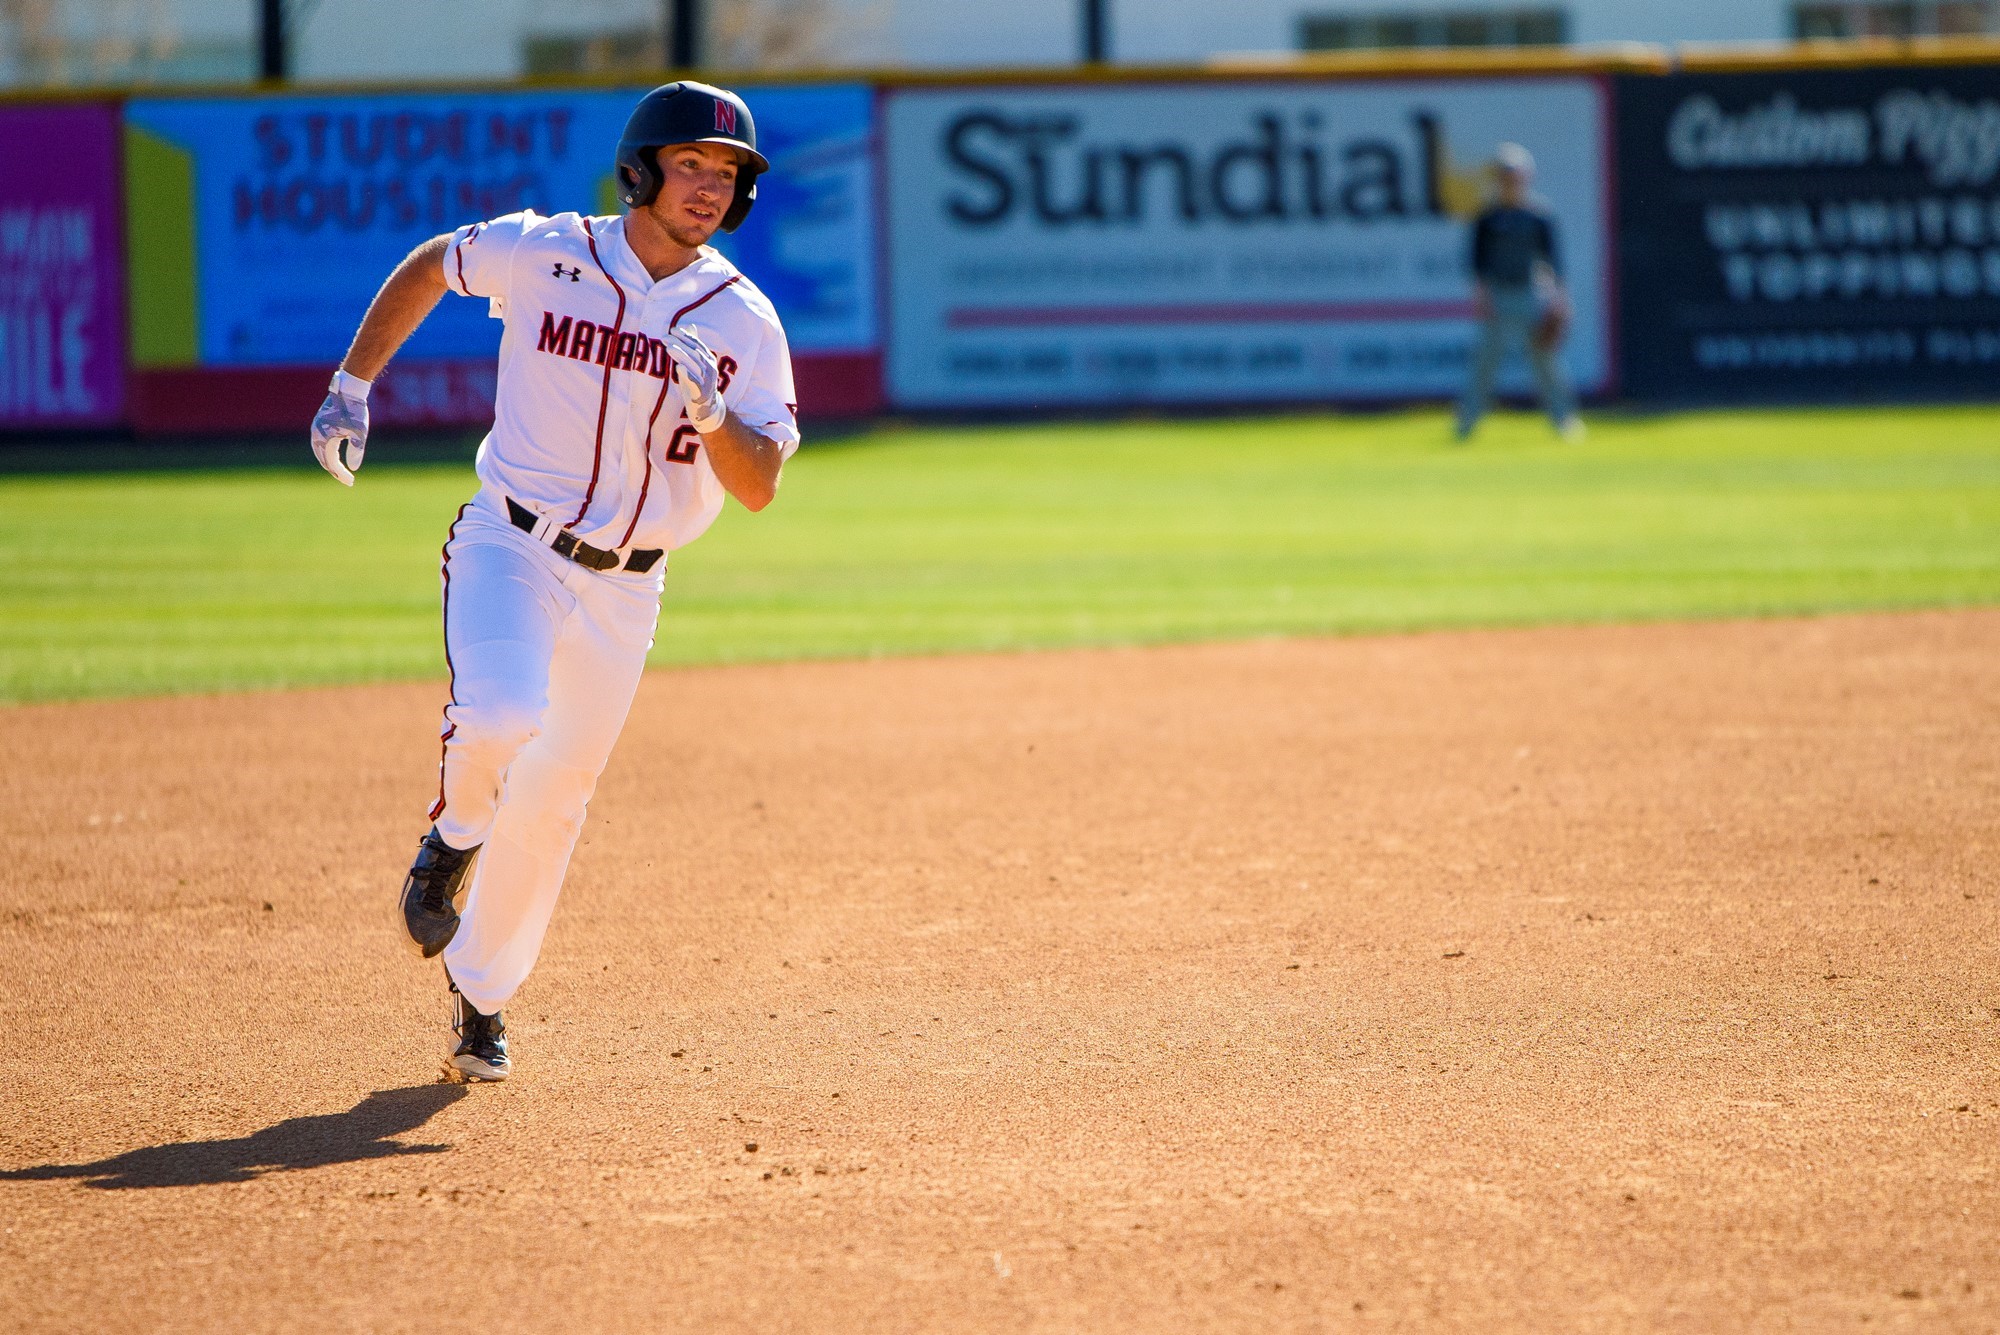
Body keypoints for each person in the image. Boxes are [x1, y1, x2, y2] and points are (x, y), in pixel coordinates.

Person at [307, 82, 799, 1082]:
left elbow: (757, 488)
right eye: (692, 163)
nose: (709, 186)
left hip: (628, 587)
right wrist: (351, 384)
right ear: (641, 167)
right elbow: (436, 265)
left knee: (556, 798)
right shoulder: (548, 249)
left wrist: (713, 416)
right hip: (513, 544)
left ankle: (480, 1002)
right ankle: (449, 841)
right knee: (499, 715)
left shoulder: (742, 321)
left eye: (728, 173)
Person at [1455, 142, 1582, 442]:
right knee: (1485, 361)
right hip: (1498, 295)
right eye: (1504, 175)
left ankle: (1565, 421)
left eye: (1515, 175)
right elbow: (1476, 263)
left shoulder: (1539, 215)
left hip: (1531, 293)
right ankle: (1466, 424)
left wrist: (1560, 297)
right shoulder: (1487, 217)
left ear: (1527, 177)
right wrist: (1481, 296)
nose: (1510, 181)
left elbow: (1554, 261)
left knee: (1545, 362)